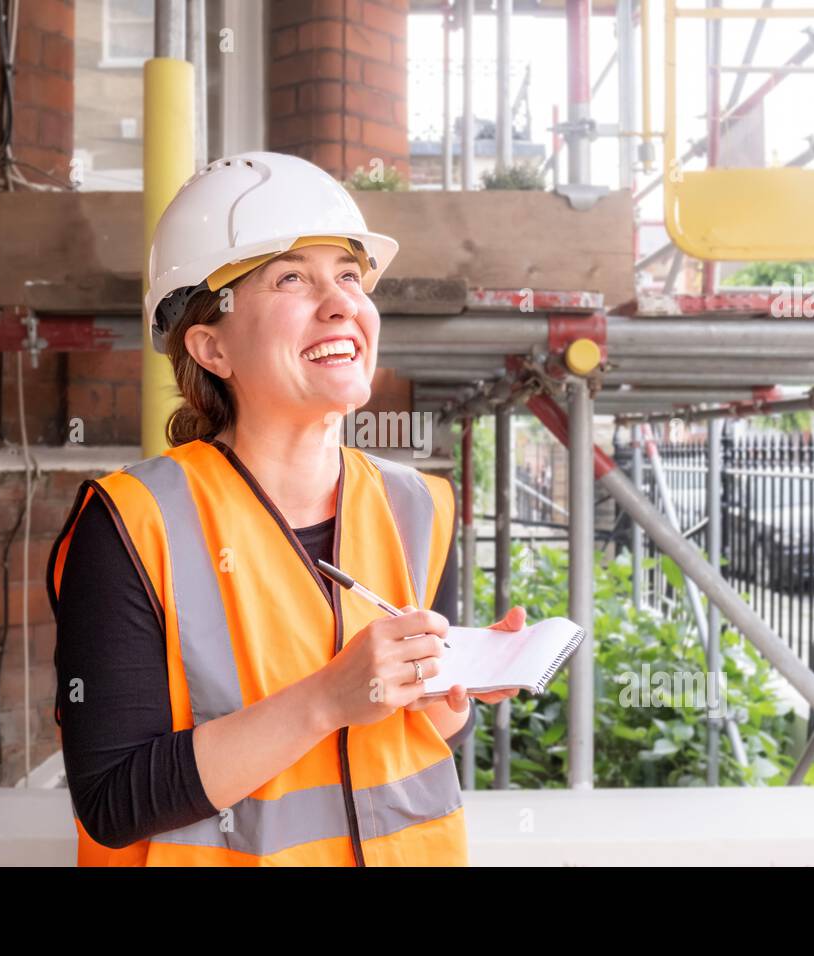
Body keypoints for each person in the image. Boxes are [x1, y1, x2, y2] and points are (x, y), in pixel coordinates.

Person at [47, 150, 525, 867]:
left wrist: (444, 693)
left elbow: (406, 745)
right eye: (292, 278)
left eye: (349, 277)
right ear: (211, 346)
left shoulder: (418, 506)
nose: (341, 304)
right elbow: (115, 801)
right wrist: (326, 700)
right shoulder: (131, 524)